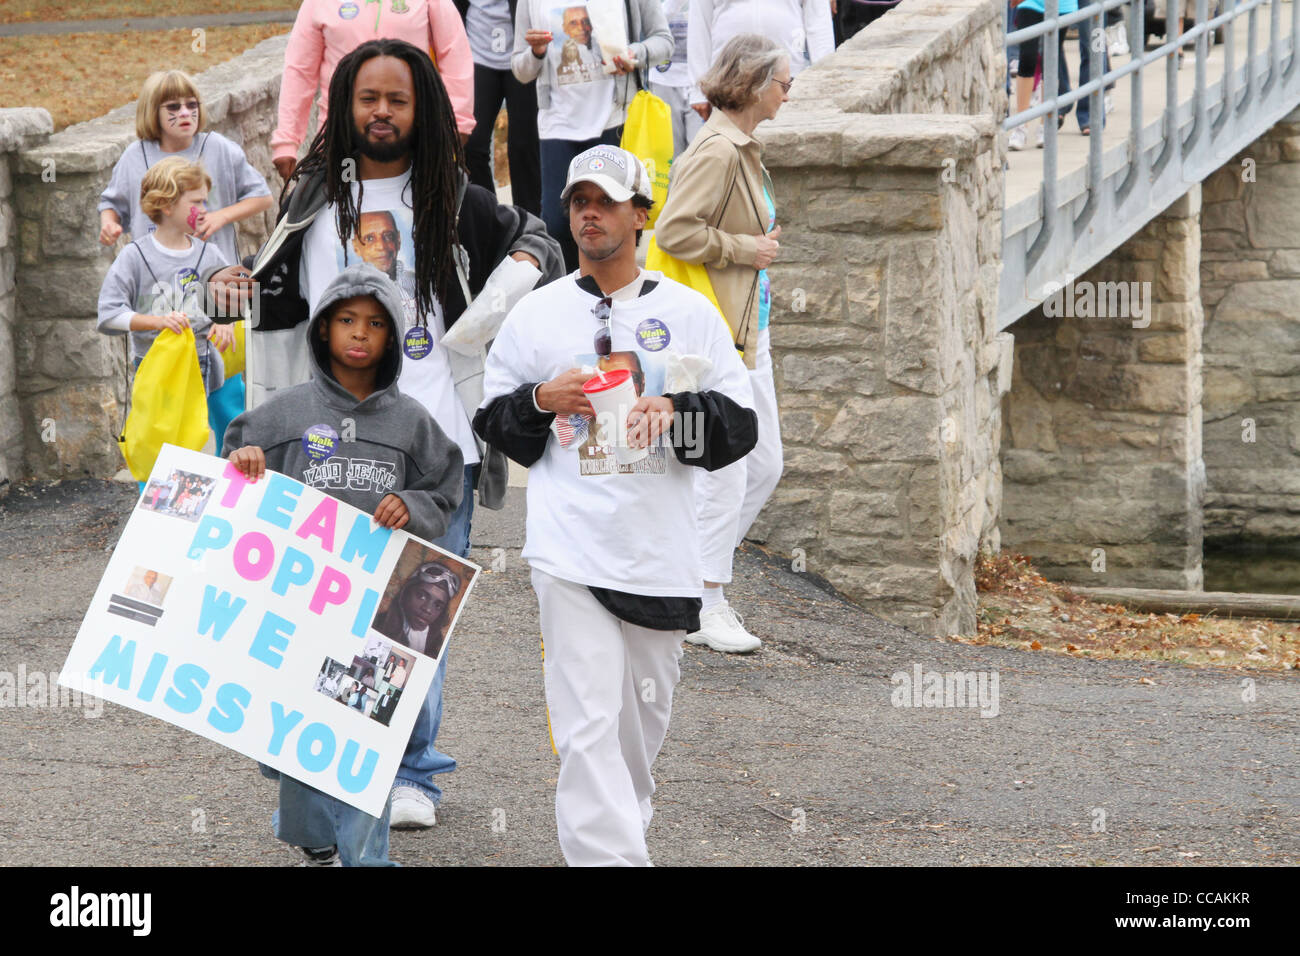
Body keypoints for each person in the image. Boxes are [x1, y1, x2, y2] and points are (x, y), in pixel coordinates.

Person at [206, 38, 562, 832]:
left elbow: (540, 240)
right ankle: (325, 753)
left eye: (397, 99)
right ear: (345, 105)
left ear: (421, 108)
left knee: (411, 620)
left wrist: (489, 313)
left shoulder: (456, 197)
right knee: (323, 614)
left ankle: (412, 774)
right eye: (367, 98)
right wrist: (229, 291)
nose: (381, 112)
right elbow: (269, 296)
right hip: (325, 447)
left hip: (434, 452)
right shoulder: (306, 200)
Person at [474, 144, 757, 866]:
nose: (588, 213)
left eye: (604, 201)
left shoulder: (689, 313)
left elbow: (739, 428)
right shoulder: (537, 316)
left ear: (642, 214)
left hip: (659, 553)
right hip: (568, 549)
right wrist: (541, 400)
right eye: (577, 202)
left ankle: (624, 831)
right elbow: (493, 415)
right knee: (588, 725)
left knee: (639, 727)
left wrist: (677, 410)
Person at [223, 262, 465, 867]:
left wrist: (412, 505)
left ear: (392, 339)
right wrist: (246, 459)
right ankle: (312, 836)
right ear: (323, 329)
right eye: (347, 320)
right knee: (295, 746)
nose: (360, 333)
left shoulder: (411, 422)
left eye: (377, 324)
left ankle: (368, 858)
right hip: (299, 611)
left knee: (364, 741)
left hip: (375, 614)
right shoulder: (285, 413)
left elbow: (445, 485)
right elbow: (231, 463)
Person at [654, 34, 788, 654]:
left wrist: (757, 238)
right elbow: (676, 230)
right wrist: (747, 249)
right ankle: (705, 600)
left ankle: (679, 579)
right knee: (732, 469)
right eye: (784, 81)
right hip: (716, 334)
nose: (790, 90)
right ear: (755, 84)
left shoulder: (741, 146)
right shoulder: (717, 148)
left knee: (761, 464)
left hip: (744, 328)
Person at [512, 0, 673, 271]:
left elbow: (664, 42)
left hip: (614, 120)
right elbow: (521, 70)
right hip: (557, 125)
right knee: (558, 225)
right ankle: (571, 298)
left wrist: (634, 53)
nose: (581, 28)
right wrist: (536, 53)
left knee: (614, 224)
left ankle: (615, 297)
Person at [271, 0, 476, 183]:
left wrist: (457, 122)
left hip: (412, 136)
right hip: (342, 139)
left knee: (416, 213)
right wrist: (287, 140)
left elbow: (455, 55)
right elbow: (299, 70)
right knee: (344, 209)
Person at [97, 158, 235, 410]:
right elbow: (109, 315)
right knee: (161, 446)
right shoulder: (134, 256)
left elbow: (237, 303)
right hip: (153, 368)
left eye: (205, 201)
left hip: (202, 367)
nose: (204, 209)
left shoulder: (211, 254)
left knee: (192, 444)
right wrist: (157, 322)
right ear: (167, 205)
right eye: (196, 202)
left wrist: (225, 322)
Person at [98, 70, 273, 266]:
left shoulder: (219, 149)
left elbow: (262, 197)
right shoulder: (134, 157)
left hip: (215, 279)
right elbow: (111, 204)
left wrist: (221, 216)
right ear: (153, 112)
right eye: (173, 107)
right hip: (156, 279)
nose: (184, 113)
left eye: (191, 105)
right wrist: (109, 224)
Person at [454, 0, 542, 214]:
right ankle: (488, 215)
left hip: (522, 58)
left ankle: (528, 223)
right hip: (477, 55)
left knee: (523, 146)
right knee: (471, 143)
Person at [685, 0, 832, 121]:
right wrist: (698, 90)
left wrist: (823, 79)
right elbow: (699, 25)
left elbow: (819, 21)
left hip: (787, 77)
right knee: (731, 145)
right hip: (729, 78)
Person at [373, 561, 461, 660]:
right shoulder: (378, 624)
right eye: (421, 596)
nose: (427, 609)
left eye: (438, 606)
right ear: (406, 592)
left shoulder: (436, 644)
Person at [649, 0, 703, 158]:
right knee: (669, 154)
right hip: (663, 79)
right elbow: (650, 27)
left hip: (700, 80)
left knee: (699, 151)